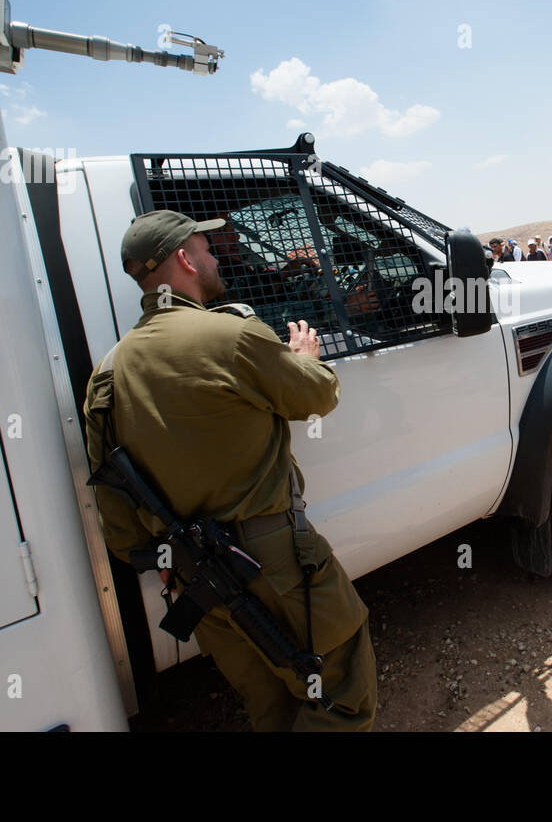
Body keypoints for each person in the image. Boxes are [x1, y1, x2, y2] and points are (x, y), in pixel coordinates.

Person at [83, 210, 376, 731]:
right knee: (339, 693)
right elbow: (316, 397)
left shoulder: (108, 371)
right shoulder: (231, 335)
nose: (216, 256)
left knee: (269, 704)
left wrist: (155, 556)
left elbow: (112, 498)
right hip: (274, 565)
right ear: (183, 259)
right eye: (207, 246)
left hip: (197, 578)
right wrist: (306, 357)